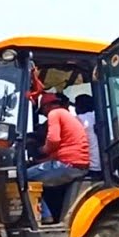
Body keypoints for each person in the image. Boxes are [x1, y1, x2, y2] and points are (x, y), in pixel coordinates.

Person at [27, 92, 90, 221]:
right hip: (77, 165)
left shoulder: (54, 114)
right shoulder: (69, 116)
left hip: (67, 165)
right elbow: (62, 150)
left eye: (43, 111)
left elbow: (54, 140)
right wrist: (42, 160)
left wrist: (41, 150)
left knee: (22, 178)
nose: (44, 115)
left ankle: (44, 216)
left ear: (47, 106)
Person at [73, 93, 102, 175]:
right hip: (102, 166)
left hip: (90, 167)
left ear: (78, 107)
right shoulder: (99, 117)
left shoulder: (79, 119)